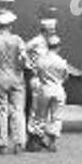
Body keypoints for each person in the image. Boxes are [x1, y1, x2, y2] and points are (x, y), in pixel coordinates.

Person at [27, 35, 82, 152]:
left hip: (44, 89)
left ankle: (36, 141)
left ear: (48, 46)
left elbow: (36, 73)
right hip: (58, 89)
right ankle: (51, 142)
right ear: (58, 47)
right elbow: (65, 77)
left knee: (40, 116)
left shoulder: (41, 60)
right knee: (56, 117)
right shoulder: (61, 62)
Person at [0, 10, 27, 154]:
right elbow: (23, 60)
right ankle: (19, 142)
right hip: (16, 78)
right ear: (10, 26)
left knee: (0, 111)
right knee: (18, 110)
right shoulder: (18, 40)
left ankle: (1, 143)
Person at [23, 18, 57, 149]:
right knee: (34, 109)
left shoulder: (46, 43)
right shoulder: (36, 42)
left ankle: (39, 136)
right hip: (36, 78)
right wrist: (28, 66)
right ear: (45, 30)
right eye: (52, 30)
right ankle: (32, 141)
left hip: (44, 79)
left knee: (42, 109)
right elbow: (23, 51)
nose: (54, 32)